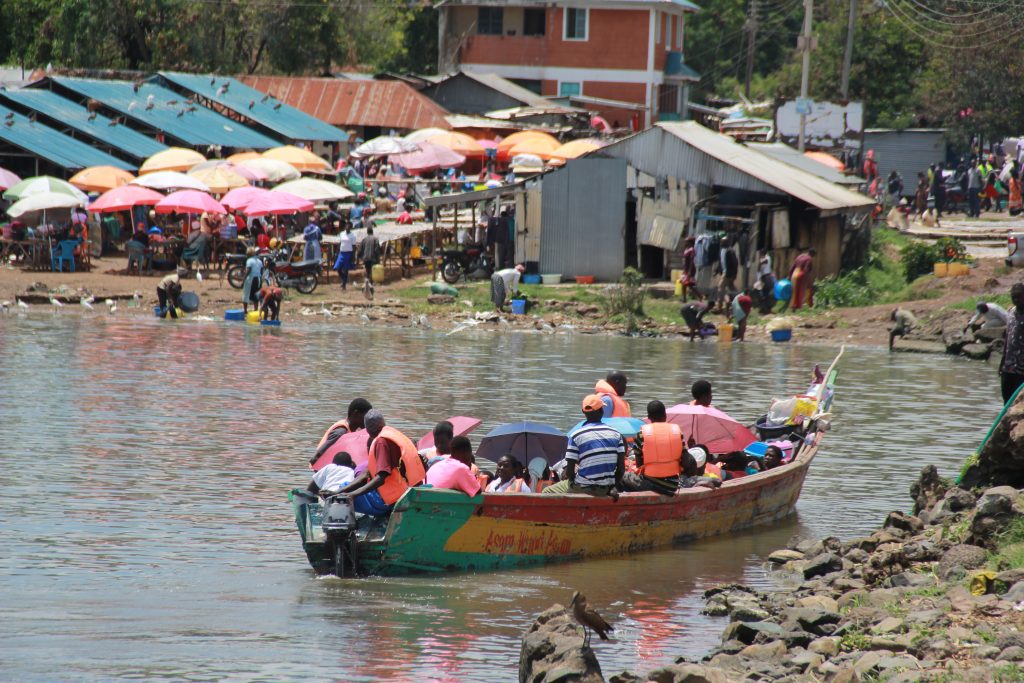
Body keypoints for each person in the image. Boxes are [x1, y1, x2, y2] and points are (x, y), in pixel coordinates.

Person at [336, 409, 425, 516]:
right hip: (406, 492)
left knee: (342, 494)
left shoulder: (381, 442)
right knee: (343, 490)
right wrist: (340, 491)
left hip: (392, 500)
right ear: (383, 423)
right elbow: (365, 475)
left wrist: (352, 494)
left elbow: (381, 478)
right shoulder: (392, 434)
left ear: (367, 429)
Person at [543, 395, 625, 498]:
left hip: (583, 487)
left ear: (583, 412)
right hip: (606, 488)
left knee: (547, 491)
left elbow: (570, 472)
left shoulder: (576, 435)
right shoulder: (616, 434)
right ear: (601, 411)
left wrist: (573, 483)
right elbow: (621, 469)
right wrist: (611, 486)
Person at [620, 400, 685, 495]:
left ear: (649, 417)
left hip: (651, 484)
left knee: (622, 476)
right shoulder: (678, 432)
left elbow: (639, 464)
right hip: (673, 485)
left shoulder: (641, 434)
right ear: (665, 415)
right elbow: (684, 458)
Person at [1000, 284, 1024, 403]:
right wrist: (1002, 362)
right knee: (1007, 402)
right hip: (1008, 368)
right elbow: (1008, 338)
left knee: (1019, 403)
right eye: (1013, 297)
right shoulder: (1011, 312)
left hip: (1022, 370)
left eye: (1019, 296)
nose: (1016, 300)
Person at [714, 237, 738, 312]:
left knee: (720, 288)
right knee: (732, 288)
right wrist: (716, 271)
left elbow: (735, 263)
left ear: (727, 243)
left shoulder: (730, 251)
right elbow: (721, 262)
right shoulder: (722, 250)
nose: (721, 243)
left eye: (723, 242)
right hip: (724, 272)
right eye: (721, 242)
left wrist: (734, 274)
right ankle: (738, 302)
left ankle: (719, 307)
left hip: (728, 273)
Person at [359, 226, 381, 300]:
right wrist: (378, 259)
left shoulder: (364, 240)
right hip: (373, 258)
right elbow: (377, 249)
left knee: (368, 272)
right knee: (371, 273)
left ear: (367, 232)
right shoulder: (375, 239)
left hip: (365, 259)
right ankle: (370, 289)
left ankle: (367, 288)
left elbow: (360, 250)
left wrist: (360, 257)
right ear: (372, 232)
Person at [334, 222, 356, 290]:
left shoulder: (353, 236)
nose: (347, 228)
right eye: (346, 226)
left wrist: (353, 256)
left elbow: (354, 246)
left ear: (350, 228)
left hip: (348, 253)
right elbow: (339, 243)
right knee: (338, 268)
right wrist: (336, 252)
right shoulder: (341, 234)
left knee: (346, 269)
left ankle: (344, 285)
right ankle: (344, 279)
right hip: (341, 253)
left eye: (348, 227)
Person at [242, 247, 263, 314]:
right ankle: (256, 310)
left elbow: (248, 270)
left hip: (251, 279)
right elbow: (261, 271)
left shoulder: (249, 260)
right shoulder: (259, 261)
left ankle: (245, 311)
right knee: (256, 295)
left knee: (246, 294)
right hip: (259, 279)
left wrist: (243, 279)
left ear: (248, 253)